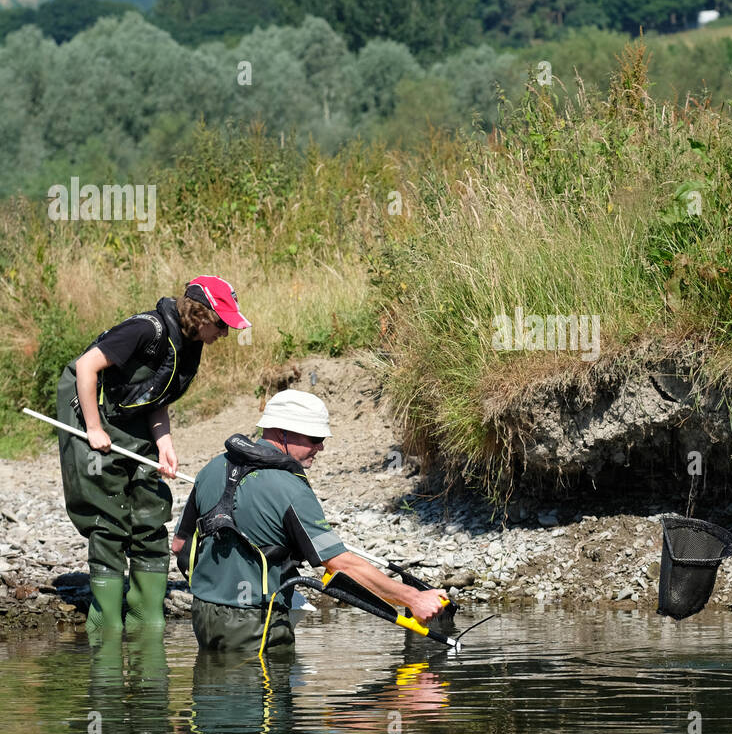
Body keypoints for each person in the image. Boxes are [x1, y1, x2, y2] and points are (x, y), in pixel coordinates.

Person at [172, 389, 447, 653]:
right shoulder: (291, 489)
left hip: (204, 614)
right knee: (266, 690)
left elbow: (179, 545)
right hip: (255, 621)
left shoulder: (210, 469)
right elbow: (341, 564)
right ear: (283, 433)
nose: (321, 447)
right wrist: (413, 598)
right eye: (314, 438)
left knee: (213, 694)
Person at [56, 275, 251, 639]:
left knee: (150, 505)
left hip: (130, 413)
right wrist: (94, 429)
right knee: (108, 509)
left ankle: (146, 618)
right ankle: (106, 622)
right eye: (222, 324)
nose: (225, 333)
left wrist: (164, 443)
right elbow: (86, 367)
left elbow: (155, 397)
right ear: (202, 314)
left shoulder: (191, 344)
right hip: (88, 405)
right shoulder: (146, 330)